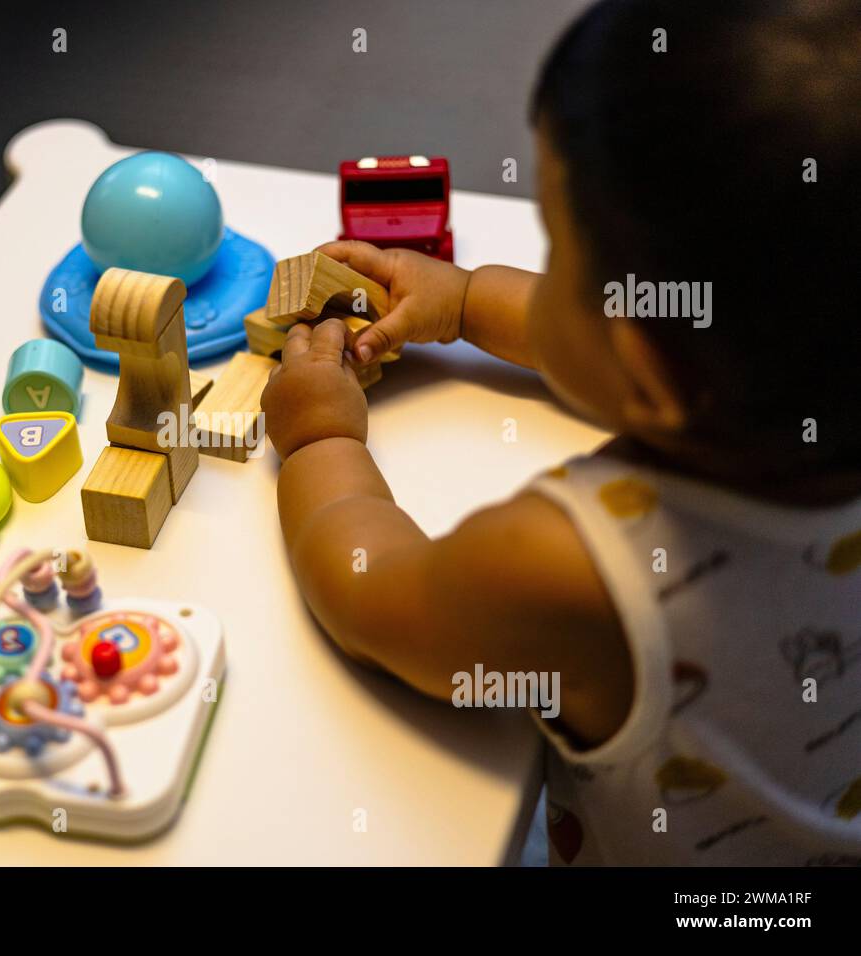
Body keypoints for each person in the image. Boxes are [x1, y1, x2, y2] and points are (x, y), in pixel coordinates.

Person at [261, 0, 861, 864]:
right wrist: (465, 298)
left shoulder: (567, 568)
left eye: (556, 254)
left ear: (649, 374)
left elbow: (372, 596)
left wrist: (322, 440)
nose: (537, 282)